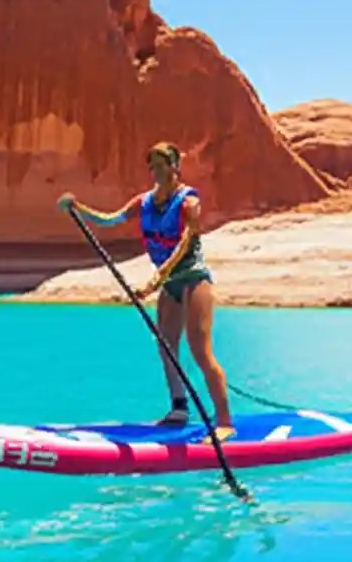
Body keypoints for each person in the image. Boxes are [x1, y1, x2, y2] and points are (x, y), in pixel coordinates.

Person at [56, 141, 235, 442]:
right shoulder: (144, 203)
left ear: (175, 167)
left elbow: (187, 241)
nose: (156, 171)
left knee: (200, 351)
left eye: (162, 164)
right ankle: (179, 408)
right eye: (152, 165)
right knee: (165, 344)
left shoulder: (189, 202)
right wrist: (78, 209)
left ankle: (225, 421)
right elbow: (109, 219)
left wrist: (160, 275)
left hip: (192, 279)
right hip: (169, 284)